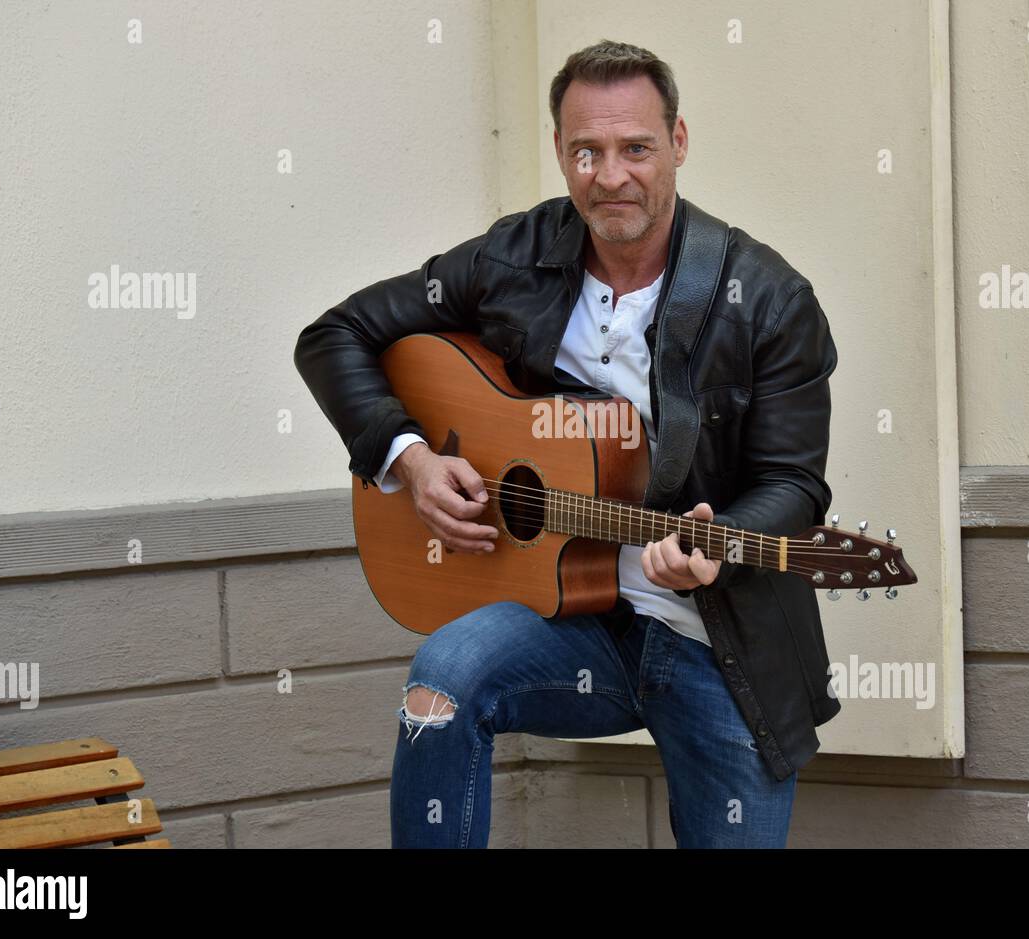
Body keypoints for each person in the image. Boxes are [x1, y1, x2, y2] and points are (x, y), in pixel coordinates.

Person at [294, 39, 840, 848]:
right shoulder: (516, 256)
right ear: (559, 151)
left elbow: (795, 483)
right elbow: (336, 333)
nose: (610, 175)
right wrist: (411, 459)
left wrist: (713, 543)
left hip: (718, 639)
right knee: (440, 682)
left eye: (636, 149)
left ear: (678, 144)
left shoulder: (766, 299)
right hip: (571, 613)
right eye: (586, 150)